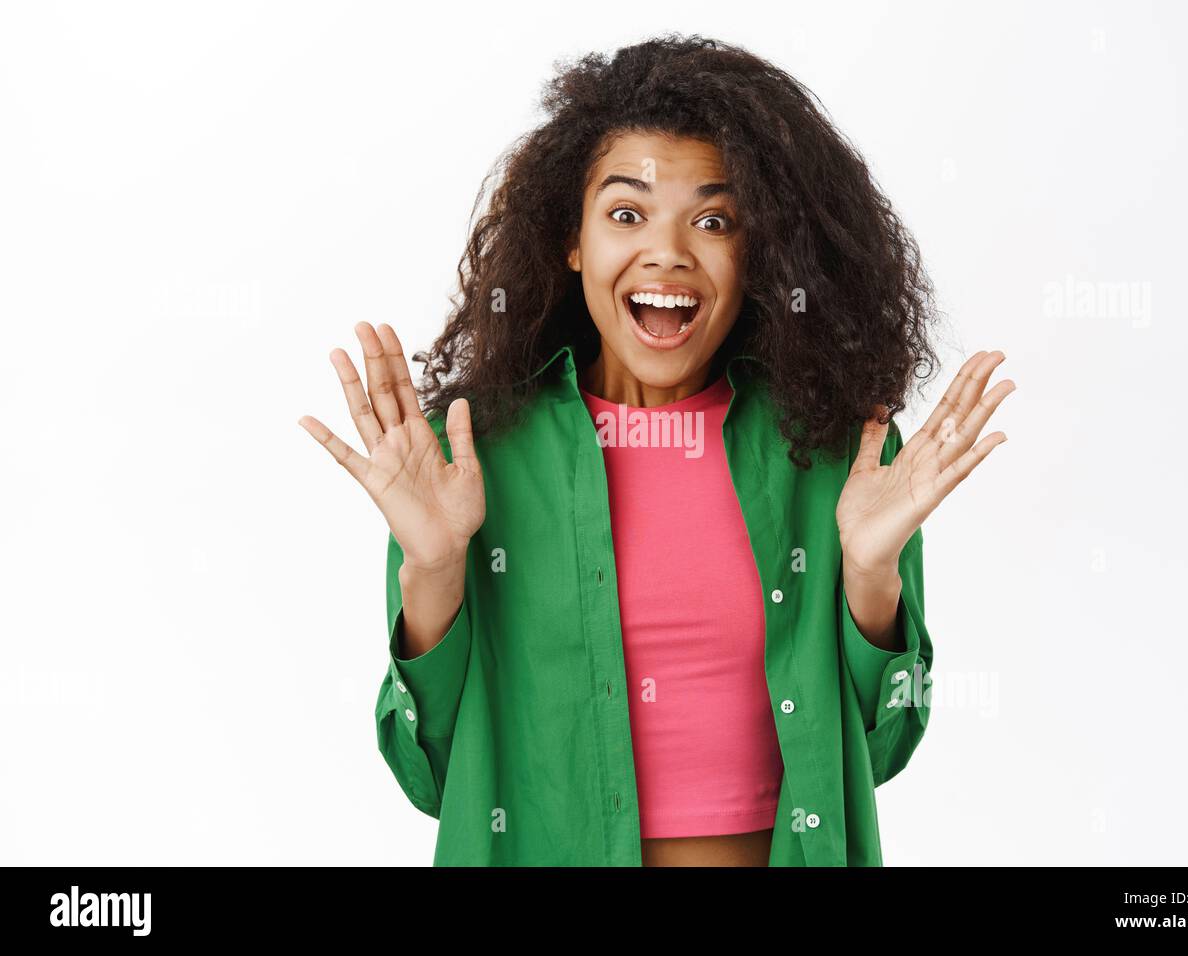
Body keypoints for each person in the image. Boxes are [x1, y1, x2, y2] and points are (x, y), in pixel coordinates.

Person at [299, 34, 1013, 866]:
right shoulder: (468, 462)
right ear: (572, 242)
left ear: (762, 254)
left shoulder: (835, 457)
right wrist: (432, 571)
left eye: (714, 220)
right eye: (627, 213)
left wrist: (870, 578)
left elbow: (879, 753)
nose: (668, 252)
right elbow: (431, 775)